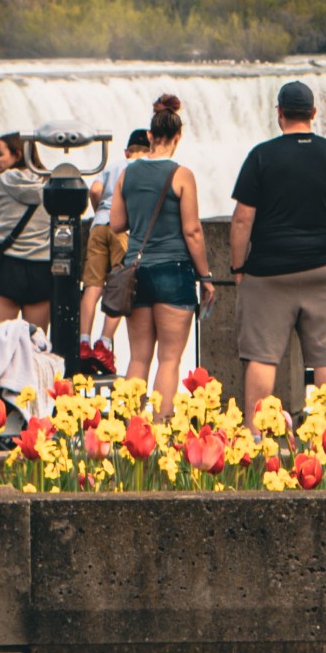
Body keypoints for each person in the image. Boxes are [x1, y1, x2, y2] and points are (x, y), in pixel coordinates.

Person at [227, 79, 326, 426]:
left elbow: (243, 219)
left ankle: (257, 436)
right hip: (324, 268)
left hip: (269, 272)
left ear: (279, 114)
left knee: (261, 357)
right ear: (314, 113)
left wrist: (238, 266)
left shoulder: (262, 155)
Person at [111, 95, 209, 415]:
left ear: (150, 136)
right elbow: (193, 231)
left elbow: (116, 224)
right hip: (174, 272)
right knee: (169, 359)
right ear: (178, 137)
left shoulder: (128, 173)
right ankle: (161, 434)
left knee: (139, 357)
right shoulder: (182, 175)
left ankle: (126, 430)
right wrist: (205, 276)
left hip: (137, 273)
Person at [0, 132, 57, 330]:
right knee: (35, 346)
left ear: (17, 155)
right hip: (42, 269)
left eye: (0, 154)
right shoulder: (51, 185)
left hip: (9, 268)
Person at [79, 130, 152, 350]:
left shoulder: (112, 166)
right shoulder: (145, 168)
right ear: (150, 151)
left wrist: (100, 210)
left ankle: (83, 342)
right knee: (121, 283)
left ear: (127, 151)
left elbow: (95, 190)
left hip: (99, 225)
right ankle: (105, 343)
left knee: (93, 285)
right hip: (124, 228)